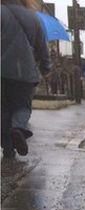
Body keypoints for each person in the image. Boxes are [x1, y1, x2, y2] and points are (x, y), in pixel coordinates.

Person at [1, 0, 51, 158]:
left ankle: (8, 148)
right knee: (22, 107)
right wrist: (45, 68)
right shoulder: (33, 18)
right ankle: (18, 128)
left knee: (3, 110)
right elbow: (42, 47)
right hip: (25, 71)